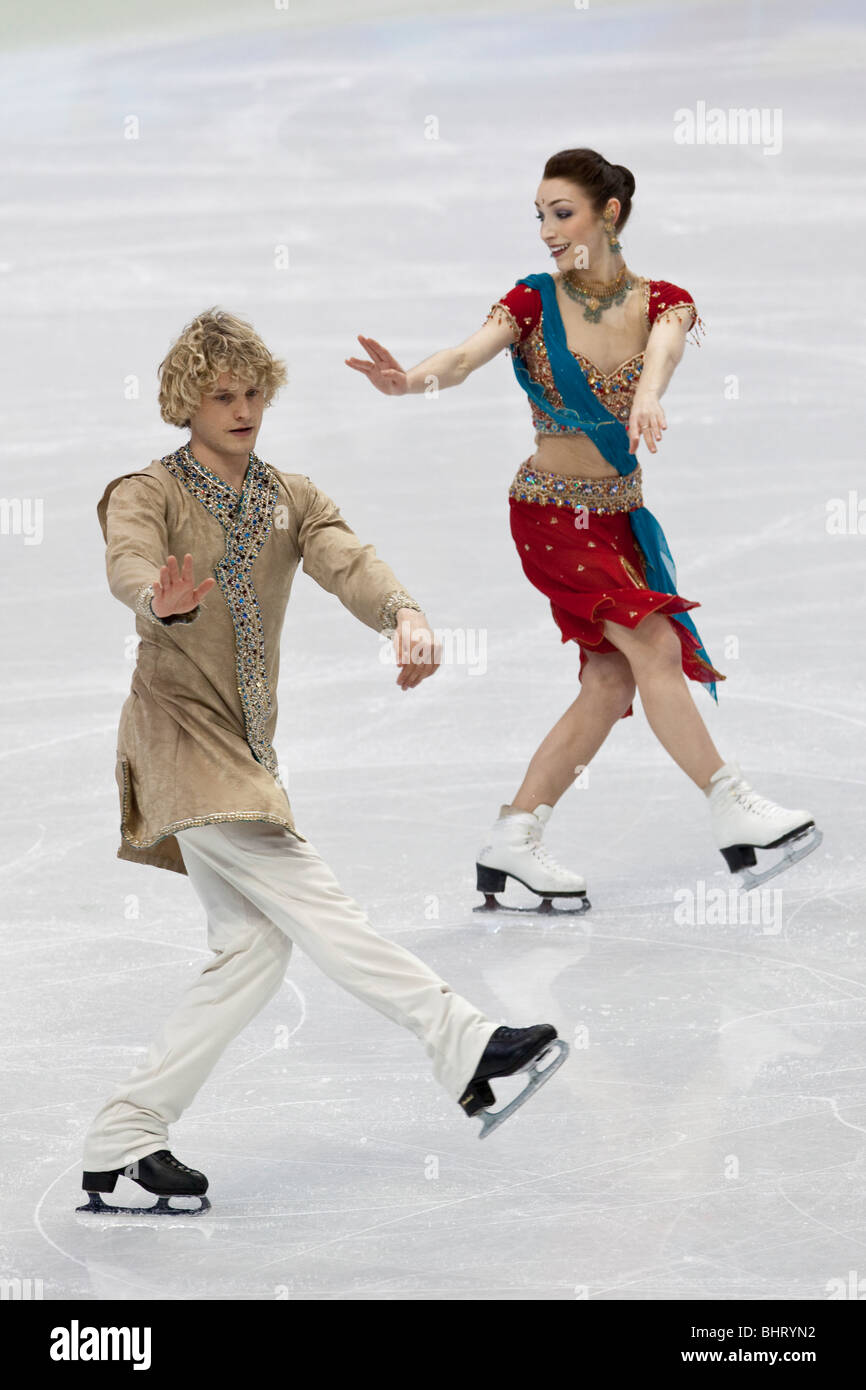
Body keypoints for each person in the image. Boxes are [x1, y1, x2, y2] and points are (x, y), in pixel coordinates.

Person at [80, 308, 567, 1215]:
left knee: (251, 951)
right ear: (187, 400)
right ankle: (462, 1042)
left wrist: (405, 615)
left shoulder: (288, 496)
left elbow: (347, 560)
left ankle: (125, 1133)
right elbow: (128, 563)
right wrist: (160, 594)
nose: (242, 407)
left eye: (253, 390)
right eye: (222, 393)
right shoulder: (146, 491)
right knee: (316, 901)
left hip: (247, 747)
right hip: (182, 740)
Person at [346, 148, 820, 906]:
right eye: (539, 215)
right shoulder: (531, 302)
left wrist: (650, 394)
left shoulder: (666, 300)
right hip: (549, 515)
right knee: (655, 644)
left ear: (610, 214)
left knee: (609, 678)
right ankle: (732, 806)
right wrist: (410, 381)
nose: (546, 230)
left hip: (621, 519)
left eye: (560, 212)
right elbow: (467, 356)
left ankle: (514, 840)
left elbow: (662, 349)